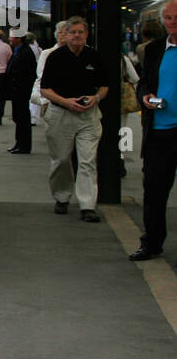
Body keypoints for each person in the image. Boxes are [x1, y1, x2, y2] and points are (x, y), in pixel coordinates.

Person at [40, 20, 109, 220]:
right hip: (61, 114)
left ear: (86, 34)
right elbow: (45, 88)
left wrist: (96, 98)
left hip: (88, 116)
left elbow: (104, 86)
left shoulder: (94, 57)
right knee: (61, 160)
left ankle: (87, 206)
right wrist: (66, 102)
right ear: (66, 34)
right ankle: (61, 197)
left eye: (80, 32)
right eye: (72, 32)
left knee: (87, 160)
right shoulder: (55, 58)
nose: (76, 36)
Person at [130, 0, 177, 260]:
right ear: (162, 22)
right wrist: (145, 96)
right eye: (168, 18)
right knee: (155, 191)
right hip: (159, 130)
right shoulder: (155, 49)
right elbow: (144, 83)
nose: (173, 23)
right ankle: (151, 243)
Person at [5, 27, 37, 153]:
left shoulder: (25, 52)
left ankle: (24, 146)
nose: (9, 39)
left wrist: (20, 87)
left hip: (21, 91)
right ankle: (19, 143)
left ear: (18, 38)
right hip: (18, 91)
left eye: (11, 37)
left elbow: (27, 74)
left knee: (22, 118)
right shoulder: (19, 50)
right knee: (18, 118)